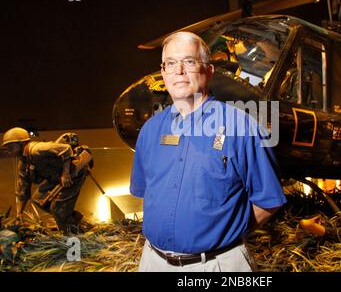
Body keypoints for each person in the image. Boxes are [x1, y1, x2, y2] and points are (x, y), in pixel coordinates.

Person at [130, 31, 287, 271]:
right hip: (153, 262)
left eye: (189, 62)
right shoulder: (150, 130)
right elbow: (145, 192)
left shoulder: (243, 127)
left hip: (216, 265)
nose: (179, 71)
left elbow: (269, 201)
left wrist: (227, 233)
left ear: (209, 71)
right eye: (171, 63)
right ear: (163, 73)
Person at [2, 128, 92, 234]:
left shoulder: (37, 149)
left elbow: (66, 149)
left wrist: (66, 173)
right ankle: (73, 219)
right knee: (38, 199)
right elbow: (23, 189)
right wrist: (19, 214)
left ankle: (71, 235)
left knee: (58, 210)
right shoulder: (23, 162)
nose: (9, 150)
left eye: (10, 146)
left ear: (22, 143)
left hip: (73, 174)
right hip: (55, 178)